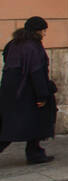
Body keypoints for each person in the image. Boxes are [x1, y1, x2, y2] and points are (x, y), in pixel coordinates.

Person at [0, 16, 58, 165]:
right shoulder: (33, 46)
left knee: (19, 123)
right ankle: (34, 153)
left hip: (10, 90)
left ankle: (35, 153)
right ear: (37, 31)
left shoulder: (14, 43)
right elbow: (37, 72)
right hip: (26, 91)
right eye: (43, 30)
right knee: (16, 126)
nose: (44, 34)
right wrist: (42, 95)